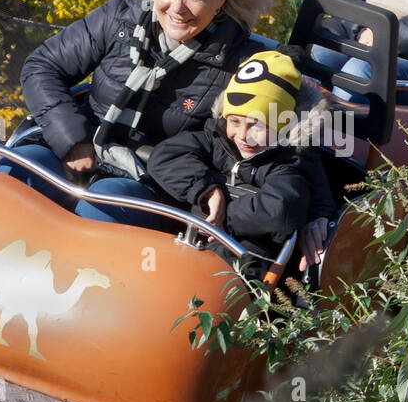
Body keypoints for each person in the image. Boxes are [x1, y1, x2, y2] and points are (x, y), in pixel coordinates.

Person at [1, 0, 333, 267]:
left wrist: (318, 214)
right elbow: (43, 67)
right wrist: (72, 140)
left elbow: (298, 133)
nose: (177, 8)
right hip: (81, 143)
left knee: (101, 208)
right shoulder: (121, 17)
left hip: (153, 177)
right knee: (13, 175)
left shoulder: (241, 61)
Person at [145, 49, 338, 275]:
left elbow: (279, 209)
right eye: (235, 121)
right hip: (190, 240)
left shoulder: (288, 161)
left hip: (243, 258)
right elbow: (165, 156)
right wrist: (207, 191)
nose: (243, 135)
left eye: (257, 125)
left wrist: (223, 212)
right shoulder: (217, 137)